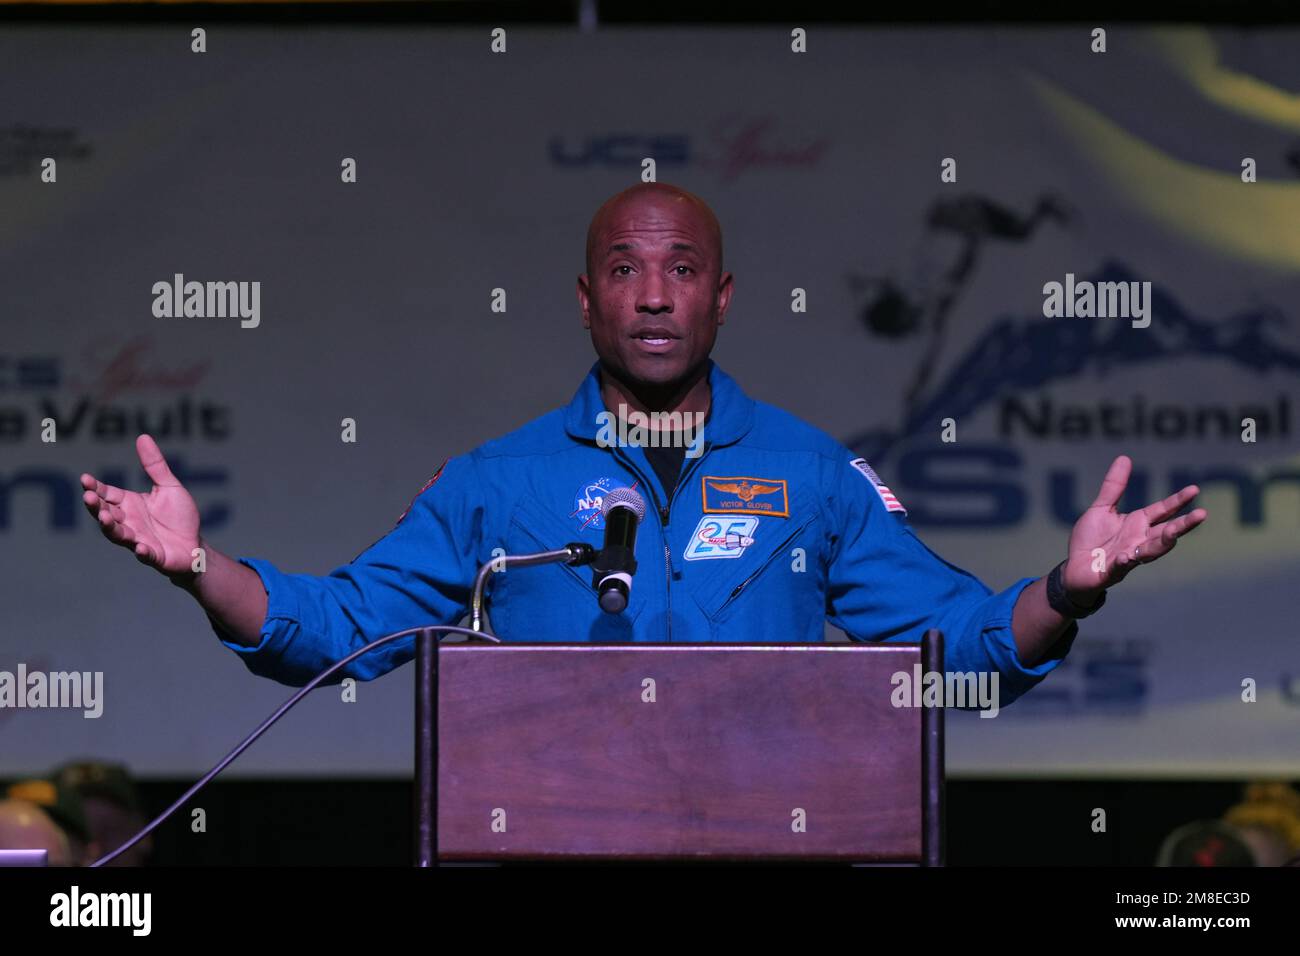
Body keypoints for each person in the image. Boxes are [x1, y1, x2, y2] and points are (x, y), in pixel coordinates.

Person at [79, 182, 1207, 707]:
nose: (654, 295)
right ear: (585, 299)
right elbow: (333, 631)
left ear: (723, 298)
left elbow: (960, 652)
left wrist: (1065, 590)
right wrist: (193, 564)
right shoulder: (495, 482)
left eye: (679, 271)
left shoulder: (816, 475)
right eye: (625, 268)